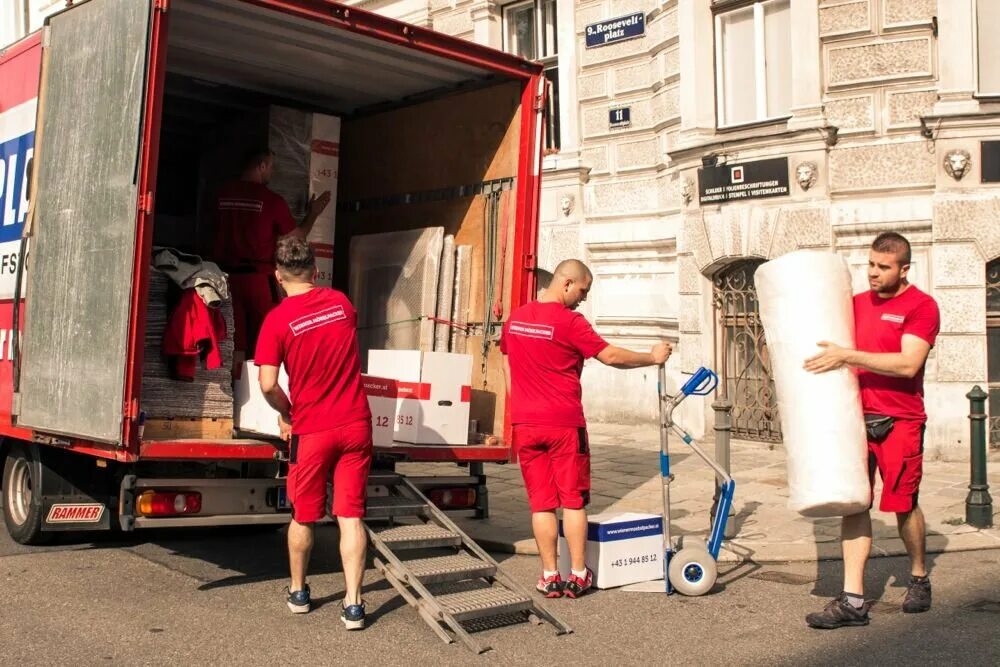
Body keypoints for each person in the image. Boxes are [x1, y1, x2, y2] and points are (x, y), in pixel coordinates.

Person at [500, 259, 672, 598]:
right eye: (583, 290)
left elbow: (506, 363)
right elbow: (611, 356)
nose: (584, 298)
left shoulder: (516, 319)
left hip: (526, 423)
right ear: (566, 283)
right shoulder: (570, 322)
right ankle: (578, 574)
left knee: (541, 504)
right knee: (572, 501)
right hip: (564, 424)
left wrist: (519, 404)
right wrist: (652, 357)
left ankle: (550, 575)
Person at [803, 232, 940, 628]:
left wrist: (847, 355)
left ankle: (918, 576)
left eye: (883, 267)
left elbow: (908, 364)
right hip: (854, 420)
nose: (874, 273)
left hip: (900, 421)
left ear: (904, 269)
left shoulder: (921, 306)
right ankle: (853, 600)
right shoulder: (856, 303)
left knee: (903, 504)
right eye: (871, 264)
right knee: (855, 503)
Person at [255, 237, 372, 630]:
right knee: (350, 516)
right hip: (355, 424)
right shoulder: (342, 304)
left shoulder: (276, 321)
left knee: (303, 516)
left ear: (277, 276)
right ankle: (353, 605)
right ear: (316, 271)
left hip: (312, 429)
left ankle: (299, 592)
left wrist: (286, 412)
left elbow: (267, 384)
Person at [213, 146, 332, 374]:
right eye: (271, 167)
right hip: (258, 280)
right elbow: (296, 238)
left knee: (234, 340)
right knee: (265, 336)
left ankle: (234, 385)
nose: (272, 173)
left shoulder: (221, 194)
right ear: (262, 166)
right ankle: (262, 385)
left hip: (224, 280)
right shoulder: (270, 200)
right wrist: (313, 213)